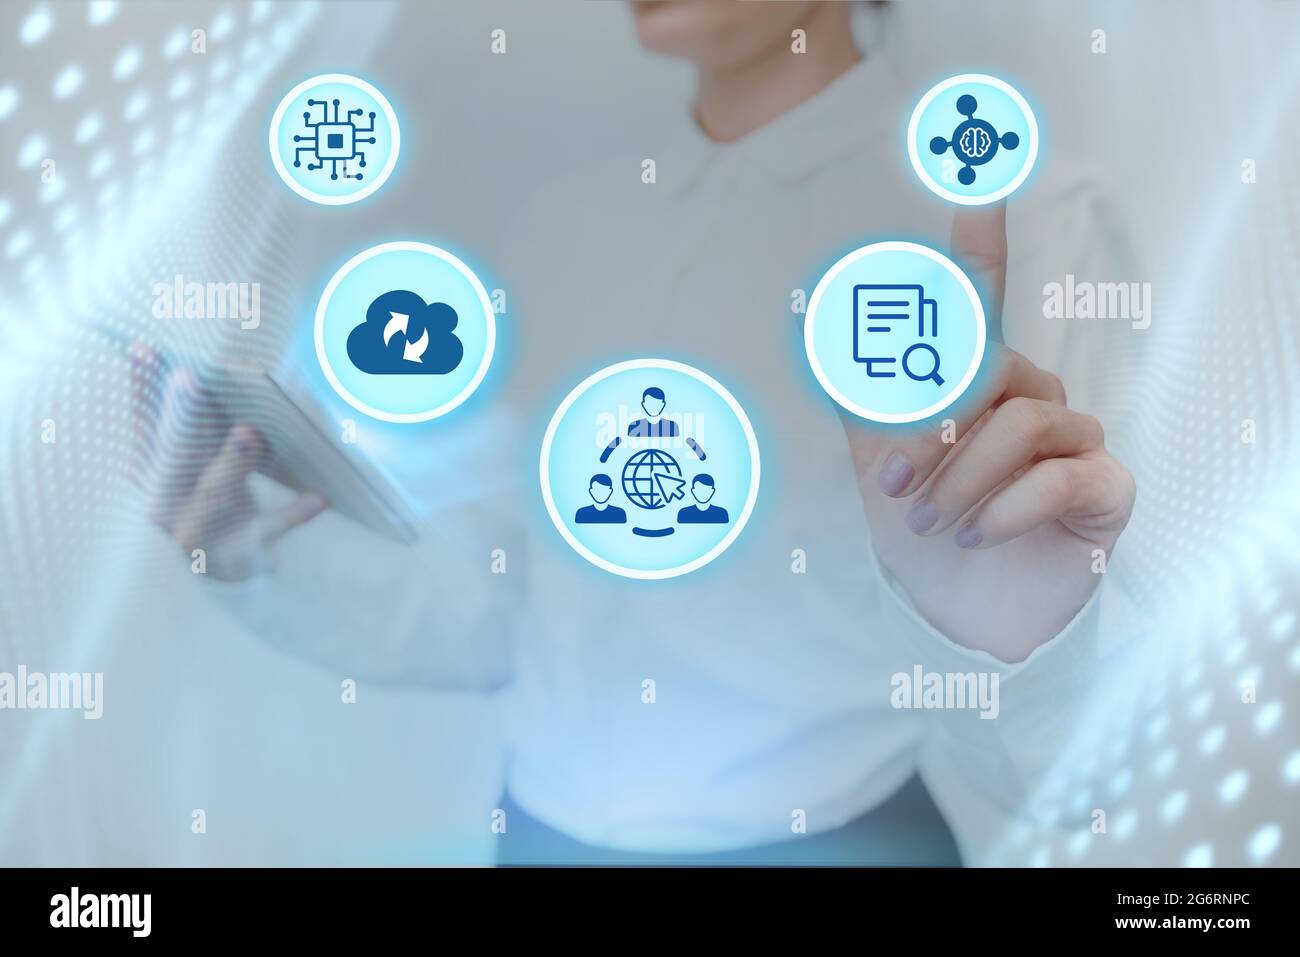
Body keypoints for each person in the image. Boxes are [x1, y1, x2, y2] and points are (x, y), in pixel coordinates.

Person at [137, 0, 1138, 865]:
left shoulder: (1033, 223)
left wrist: (1018, 650)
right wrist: (246, 553)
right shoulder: (567, 228)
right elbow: (490, 607)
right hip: (540, 839)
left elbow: (1076, 758)